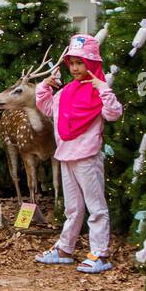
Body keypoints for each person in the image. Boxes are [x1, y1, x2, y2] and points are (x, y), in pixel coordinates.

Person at [33, 34, 123, 273]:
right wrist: (44, 86)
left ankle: (101, 253)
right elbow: (48, 108)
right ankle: (65, 249)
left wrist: (103, 89)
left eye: (80, 62)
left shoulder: (98, 93)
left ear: (92, 64)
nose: (75, 68)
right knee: (73, 207)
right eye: (71, 63)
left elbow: (113, 113)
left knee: (96, 206)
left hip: (87, 157)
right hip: (66, 155)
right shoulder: (67, 92)